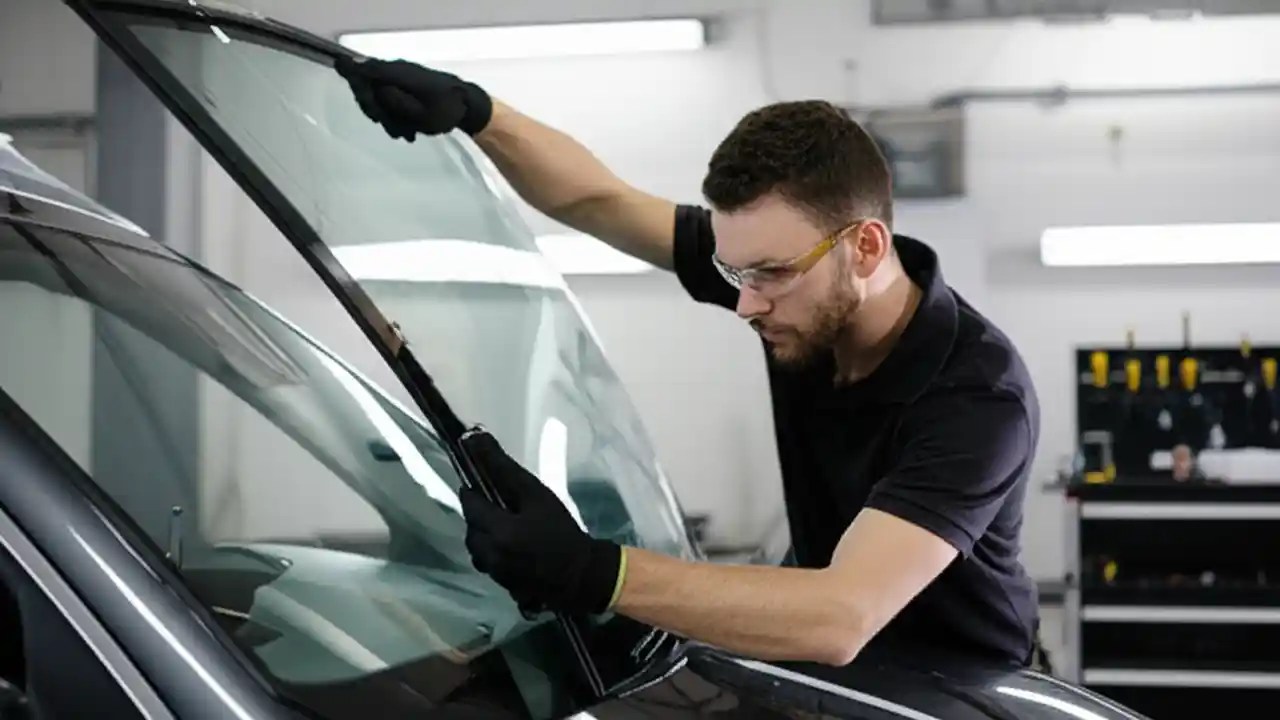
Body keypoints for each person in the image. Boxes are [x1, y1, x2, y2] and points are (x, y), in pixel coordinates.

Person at [336, 56, 1042, 669]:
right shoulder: (781, 280)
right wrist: (475, 110)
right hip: (836, 680)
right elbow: (600, 199)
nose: (744, 304)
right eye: (735, 274)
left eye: (767, 274)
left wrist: (589, 570)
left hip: (960, 690)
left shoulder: (976, 396)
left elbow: (840, 614)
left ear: (864, 248)